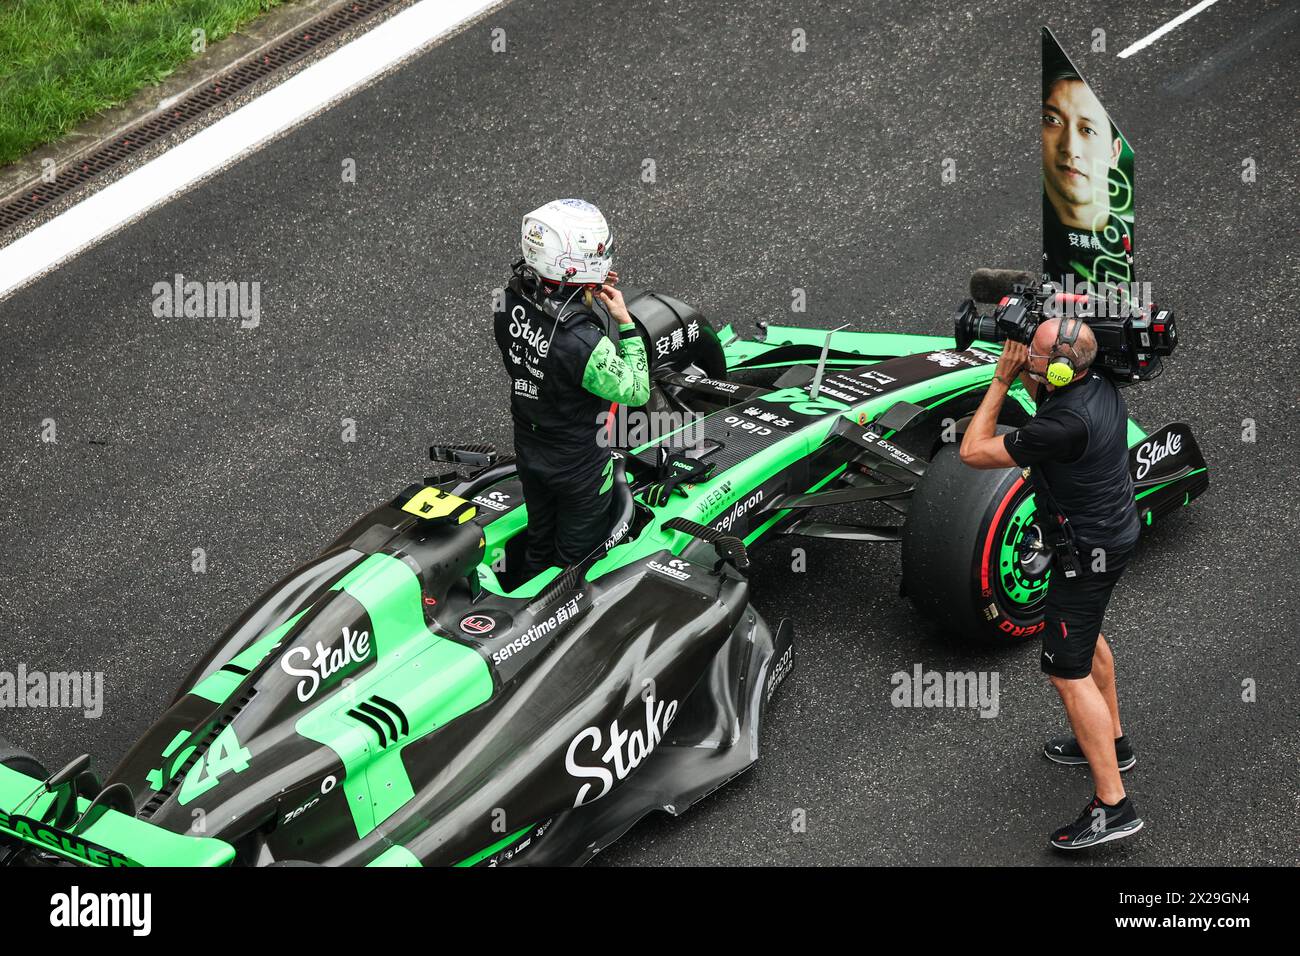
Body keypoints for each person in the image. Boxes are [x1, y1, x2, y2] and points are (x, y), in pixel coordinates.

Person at [959, 316, 1144, 850]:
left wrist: (1000, 378)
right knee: (1088, 636)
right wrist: (1030, 368)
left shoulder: (1057, 428)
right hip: (1113, 535)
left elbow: (973, 451)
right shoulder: (1099, 383)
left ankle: (1114, 806)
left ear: (1061, 370)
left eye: (1032, 359)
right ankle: (1113, 741)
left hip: (1085, 553)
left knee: (1066, 673)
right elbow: (1047, 395)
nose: (1024, 361)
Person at [493, 199, 650, 579]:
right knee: (576, 560)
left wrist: (583, 291)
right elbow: (638, 390)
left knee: (539, 543)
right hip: (577, 464)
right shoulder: (584, 344)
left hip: (529, 448)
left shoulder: (506, 299)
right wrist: (625, 323)